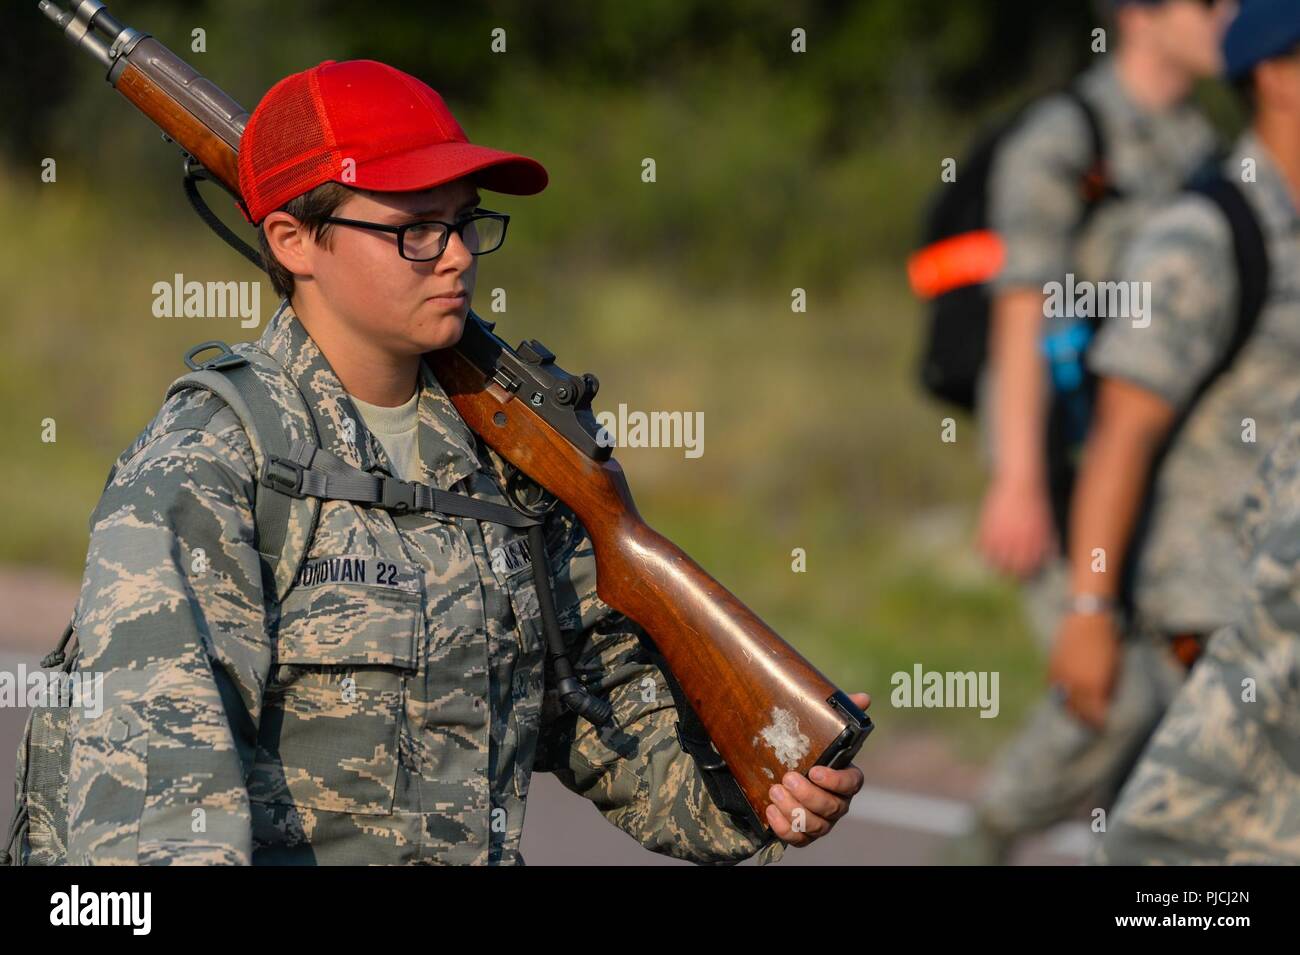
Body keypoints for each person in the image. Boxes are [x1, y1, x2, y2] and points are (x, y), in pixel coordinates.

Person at [58, 59, 868, 865]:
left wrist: (765, 784)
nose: (456, 256)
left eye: (465, 220)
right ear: (292, 240)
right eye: (414, 228)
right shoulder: (215, 459)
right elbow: (153, 810)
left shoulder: (510, 463)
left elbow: (609, 718)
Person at [955, 0, 1231, 863]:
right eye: (1208, 3)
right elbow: (1018, 310)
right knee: (1104, 695)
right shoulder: (1064, 137)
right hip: (1063, 460)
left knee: (1165, 703)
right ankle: (975, 846)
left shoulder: (1202, 149)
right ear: (1141, 15)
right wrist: (1020, 482)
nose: (1228, 19)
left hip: (1154, 475)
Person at [1095, 0, 1300, 865]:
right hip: (1218, 620)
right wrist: (1086, 610)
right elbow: (1121, 432)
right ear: (1276, 73)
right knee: (1183, 865)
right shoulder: (1205, 232)